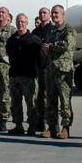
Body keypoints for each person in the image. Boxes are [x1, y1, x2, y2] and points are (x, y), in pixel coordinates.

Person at [6, 13, 43, 135]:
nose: (20, 24)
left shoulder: (34, 40)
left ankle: (32, 126)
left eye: (22, 22)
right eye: (18, 22)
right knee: (15, 103)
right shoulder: (11, 40)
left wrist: (37, 73)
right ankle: (18, 125)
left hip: (29, 76)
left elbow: (40, 59)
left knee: (31, 103)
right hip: (14, 76)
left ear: (27, 23)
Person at [43, 4, 76, 138]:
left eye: (57, 13)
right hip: (51, 69)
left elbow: (66, 44)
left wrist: (50, 47)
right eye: (53, 13)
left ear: (63, 15)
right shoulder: (51, 31)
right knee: (50, 100)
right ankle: (51, 127)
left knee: (65, 100)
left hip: (63, 71)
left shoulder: (69, 30)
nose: (54, 15)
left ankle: (65, 128)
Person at [32, 7, 54, 135]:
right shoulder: (35, 31)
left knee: (49, 96)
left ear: (49, 15)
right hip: (38, 68)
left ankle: (49, 124)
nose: (42, 14)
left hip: (49, 67)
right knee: (39, 97)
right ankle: (40, 122)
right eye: (40, 13)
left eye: (44, 13)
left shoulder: (53, 30)